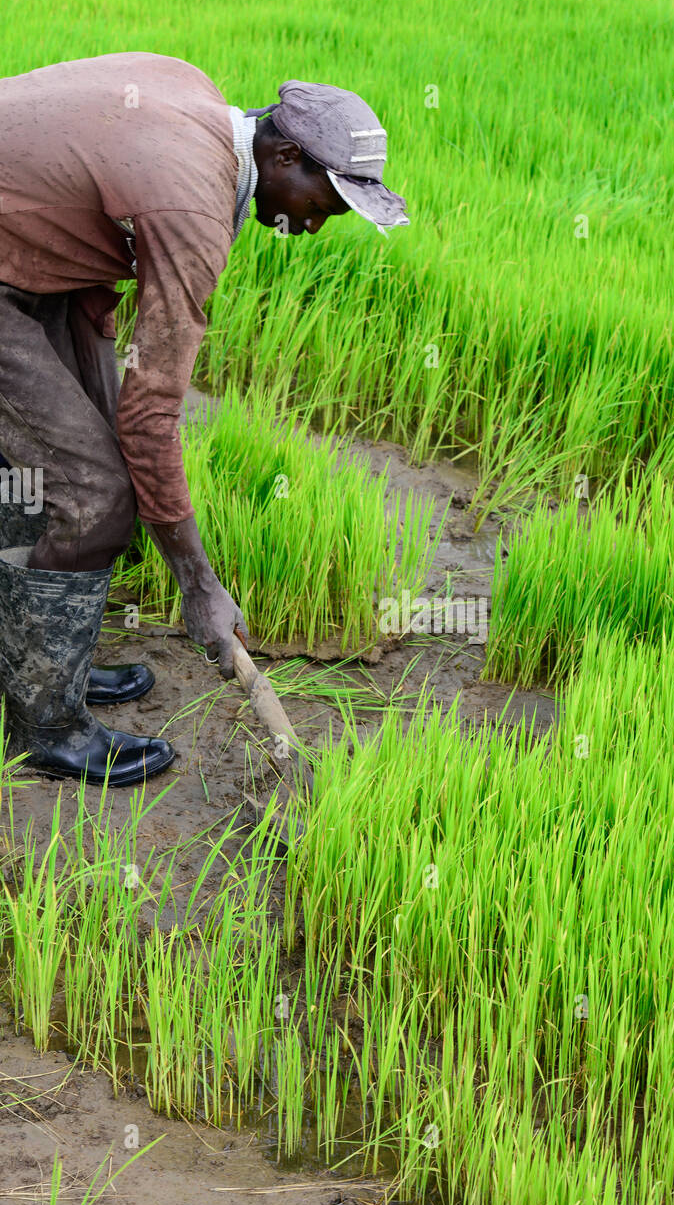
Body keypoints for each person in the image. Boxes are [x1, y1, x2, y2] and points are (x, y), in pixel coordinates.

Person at [0, 52, 409, 786]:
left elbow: (76, 204)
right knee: (95, 499)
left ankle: (43, 666)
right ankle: (47, 725)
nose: (315, 227)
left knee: (71, 469)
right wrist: (199, 586)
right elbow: (153, 413)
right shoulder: (192, 204)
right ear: (284, 153)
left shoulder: (198, 103)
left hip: (25, 259)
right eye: (325, 203)